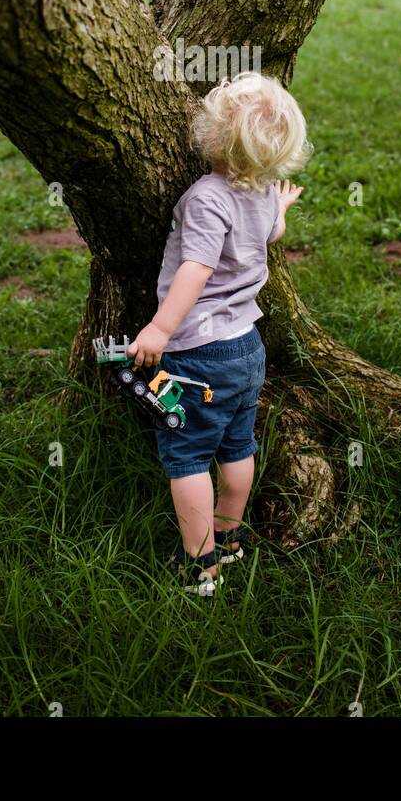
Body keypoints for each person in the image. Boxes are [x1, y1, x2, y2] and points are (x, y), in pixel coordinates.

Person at [127, 71, 312, 595]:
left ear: (214, 137)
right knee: (236, 448)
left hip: (199, 352)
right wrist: (280, 209)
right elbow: (270, 231)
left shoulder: (208, 196)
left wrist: (161, 327)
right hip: (247, 350)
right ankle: (231, 542)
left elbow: (197, 268)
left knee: (187, 458)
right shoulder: (259, 194)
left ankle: (199, 566)